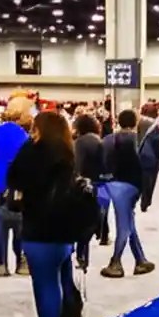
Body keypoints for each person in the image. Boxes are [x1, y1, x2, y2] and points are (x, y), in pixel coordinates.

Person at [7, 111, 91, 317]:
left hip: (37, 231)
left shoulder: (30, 153)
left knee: (44, 285)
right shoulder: (67, 154)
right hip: (65, 231)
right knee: (63, 275)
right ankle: (70, 310)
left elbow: (13, 179)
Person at [99, 110, 155, 278]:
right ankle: (115, 262)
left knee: (128, 221)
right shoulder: (139, 141)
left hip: (112, 184)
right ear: (135, 122)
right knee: (124, 224)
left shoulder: (108, 140)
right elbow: (148, 165)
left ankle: (140, 260)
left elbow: (102, 161)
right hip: (132, 185)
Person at [0, 96, 32, 276]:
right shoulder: (23, 135)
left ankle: (0, 264)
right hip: (18, 187)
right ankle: (22, 262)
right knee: (21, 227)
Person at [72, 113, 105, 270]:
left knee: (79, 220)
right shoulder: (99, 140)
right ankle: (99, 236)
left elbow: (77, 165)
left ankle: (79, 254)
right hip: (98, 183)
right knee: (92, 219)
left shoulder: (80, 143)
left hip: (83, 185)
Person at [136, 103, 159, 212]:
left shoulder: (139, 122)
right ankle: (145, 202)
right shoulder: (155, 125)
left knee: (140, 179)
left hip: (138, 154)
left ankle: (137, 198)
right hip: (151, 157)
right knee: (149, 181)